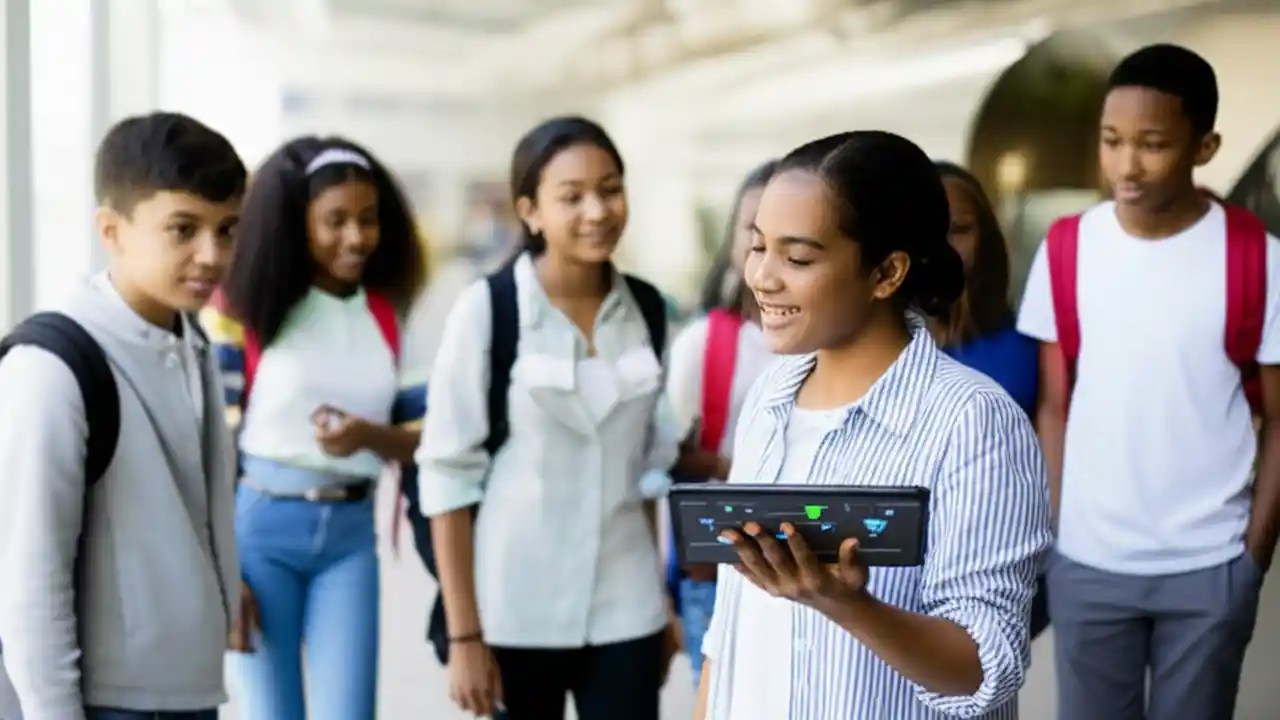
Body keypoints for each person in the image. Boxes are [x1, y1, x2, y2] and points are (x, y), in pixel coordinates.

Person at [696, 130, 1052, 720]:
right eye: (759, 246)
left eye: (799, 257)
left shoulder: (973, 422)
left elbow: (987, 669)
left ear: (887, 272)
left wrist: (847, 604)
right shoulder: (769, 397)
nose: (763, 277)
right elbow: (729, 630)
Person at [1017, 44, 1280, 720]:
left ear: (1205, 145)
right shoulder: (1068, 247)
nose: (1126, 165)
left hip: (1211, 563)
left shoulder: (1258, 257)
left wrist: (1251, 558)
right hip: (1087, 560)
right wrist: (1054, 525)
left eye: (1153, 144)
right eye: (1112, 141)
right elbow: (1055, 403)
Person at [416, 116, 681, 720]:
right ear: (530, 211)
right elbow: (447, 480)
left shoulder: (647, 310)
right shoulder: (488, 310)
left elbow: (648, 469)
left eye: (611, 189)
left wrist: (662, 604)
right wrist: (465, 637)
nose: (598, 210)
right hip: (515, 607)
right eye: (572, 197)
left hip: (626, 602)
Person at [0, 112, 247, 720]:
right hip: (108, 703)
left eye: (227, 229)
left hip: (189, 691)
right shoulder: (53, 365)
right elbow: (31, 579)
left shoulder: (191, 340)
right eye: (183, 229)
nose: (211, 255)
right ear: (111, 230)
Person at [203, 137, 427, 720]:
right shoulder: (246, 310)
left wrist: (370, 436)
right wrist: (222, 573)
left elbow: (402, 421)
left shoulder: (381, 311)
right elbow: (215, 441)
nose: (356, 237)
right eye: (335, 221)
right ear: (298, 224)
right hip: (260, 535)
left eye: (367, 219)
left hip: (350, 537)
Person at [663, 159, 778, 686]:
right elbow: (664, 456)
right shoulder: (702, 345)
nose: (764, 244)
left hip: (808, 567)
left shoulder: (833, 345)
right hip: (717, 571)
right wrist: (727, 464)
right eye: (751, 228)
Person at [933, 160, 1048, 638]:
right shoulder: (871, 347)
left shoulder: (1027, 349)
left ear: (985, 238)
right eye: (924, 229)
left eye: (958, 229)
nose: (940, 246)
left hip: (996, 575)